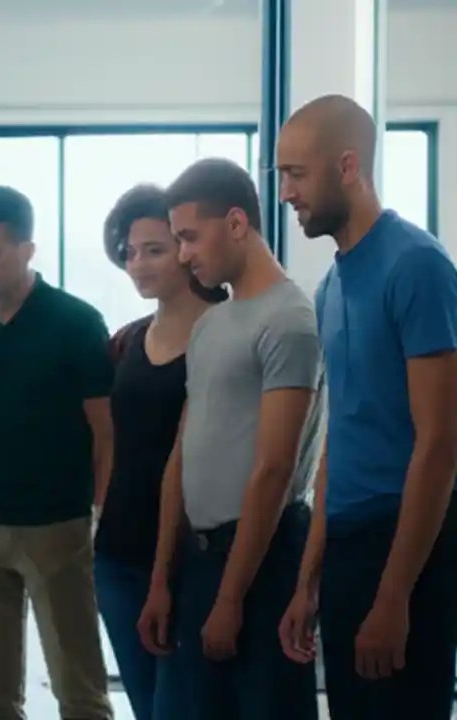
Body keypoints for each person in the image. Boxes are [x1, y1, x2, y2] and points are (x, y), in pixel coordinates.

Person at [275, 94, 457, 720]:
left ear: (347, 166)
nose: (286, 193)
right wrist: (308, 580)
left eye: (295, 174)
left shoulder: (418, 267)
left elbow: (440, 445)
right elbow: (339, 443)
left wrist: (395, 595)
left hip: (407, 545)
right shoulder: (331, 286)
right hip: (348, 548)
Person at [136, 158, 323, 720]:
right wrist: (162, 578)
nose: (185, 254)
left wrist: (230, 598)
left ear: (237, 223)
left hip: (261, 562)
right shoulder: (212, 324)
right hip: (198, 558)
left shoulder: (289, 319)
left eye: (190, 237)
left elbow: (275, 469)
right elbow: (182, 455)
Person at [0, 185, 115, 720]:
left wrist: (98, 513)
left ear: (27, 250)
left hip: (58, 525)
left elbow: (105, 432)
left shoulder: (77, 323)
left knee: (80, 690)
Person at [93, 184, 226, 720]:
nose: (138, 263)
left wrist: (164, 575)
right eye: (129, 251)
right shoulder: (128, 340)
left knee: (184, 706)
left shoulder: (223, 334)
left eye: (155, 249)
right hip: (117, 551)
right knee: (146, 707)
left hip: (187, 557)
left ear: (186, 249)